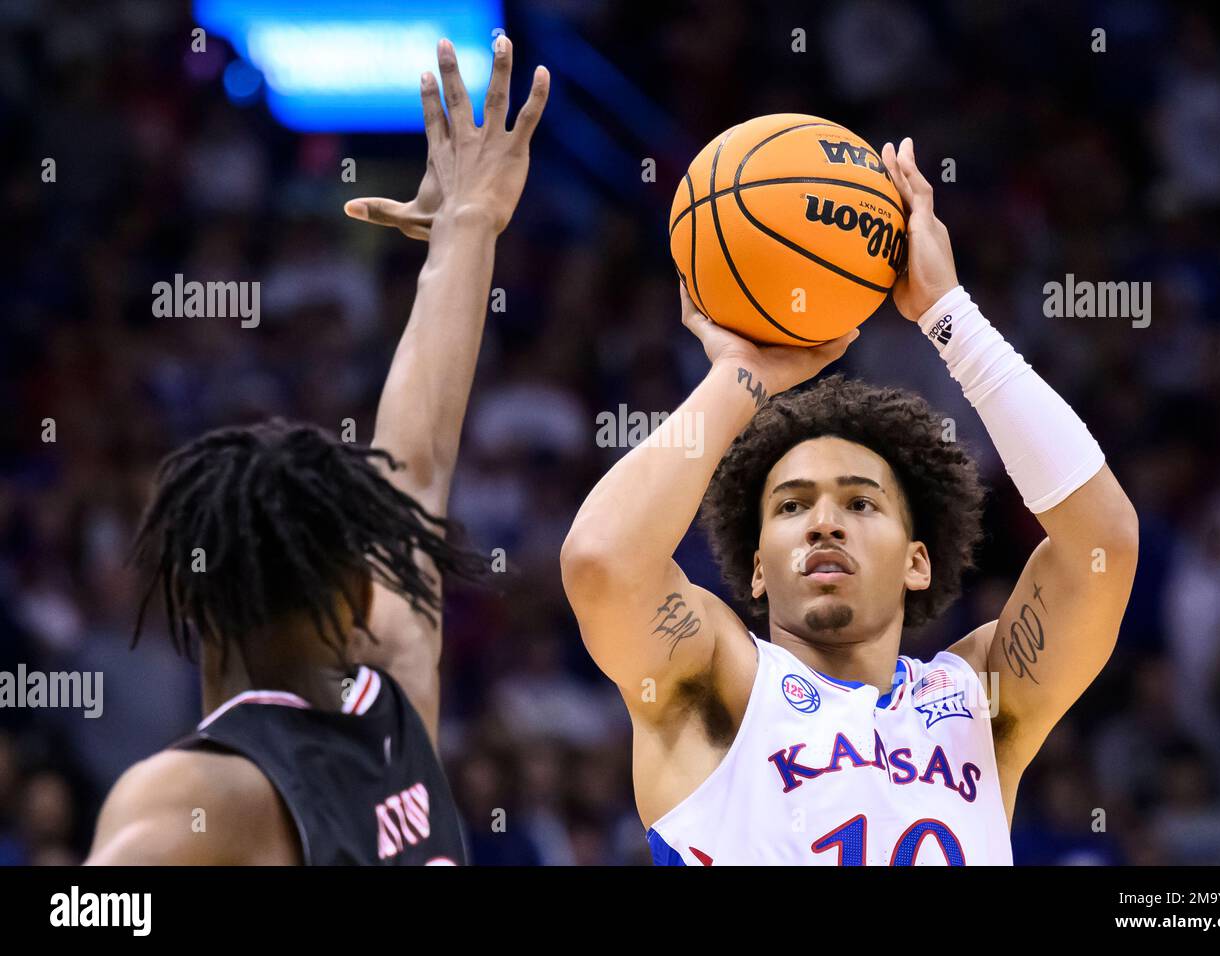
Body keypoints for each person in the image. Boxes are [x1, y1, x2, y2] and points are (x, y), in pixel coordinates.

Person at [561, 137, 1139, 865]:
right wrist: (740, 375)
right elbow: (601, 563)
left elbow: (1104, 546)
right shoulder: (719, 684)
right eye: (792, 506)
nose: (825, 521)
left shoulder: (980, 705)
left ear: (918, 561)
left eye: (861, 504)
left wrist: (950, 317)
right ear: (758, 567)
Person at [85, 36, 549, 865]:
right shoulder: (397, 694)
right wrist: (468, 227)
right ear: (359, 592)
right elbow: (421, 455)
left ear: (191, 602)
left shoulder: (194, 795)